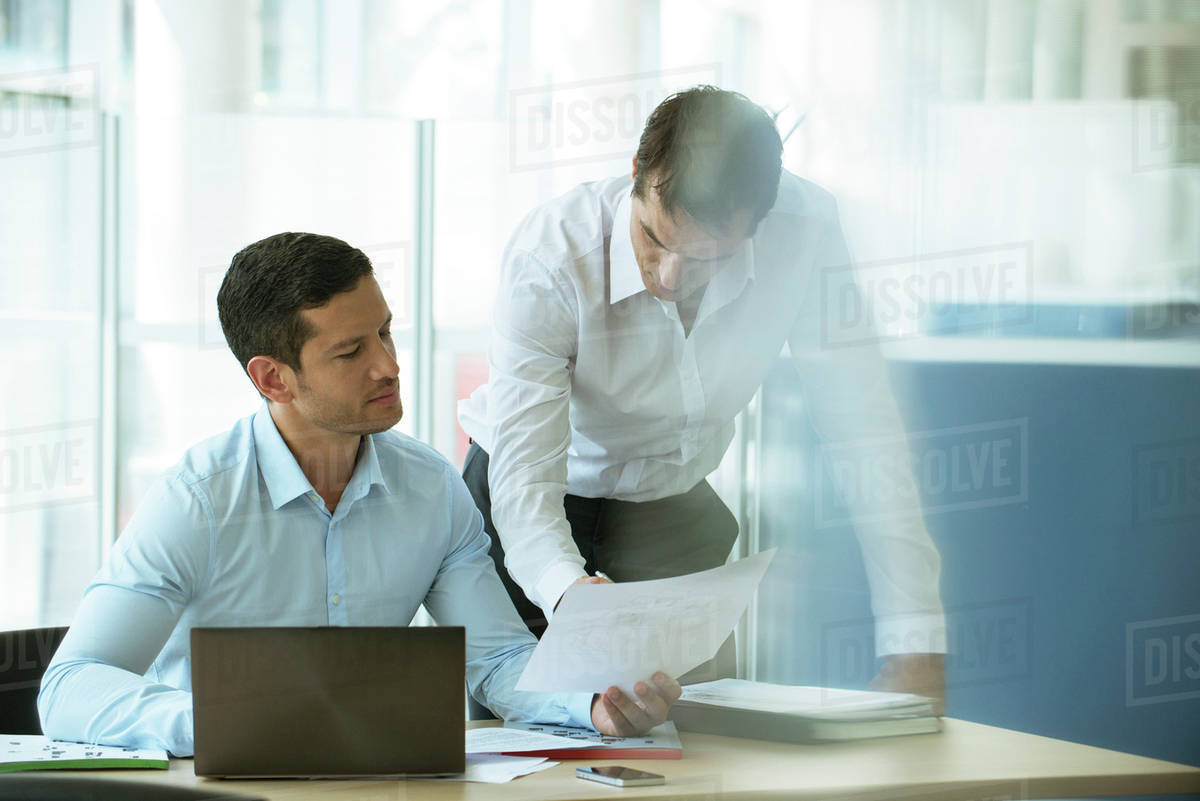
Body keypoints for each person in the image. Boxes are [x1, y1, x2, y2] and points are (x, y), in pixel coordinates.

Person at [38, 232, 680, 756]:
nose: (388, 365)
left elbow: (498, 660)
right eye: (350, 352)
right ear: (273, 379)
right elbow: (68, 688)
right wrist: (235, 721)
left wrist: (589, 708)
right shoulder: (197, 500)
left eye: (386, 332)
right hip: (218, 785)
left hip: (375, 779)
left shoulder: (430, 487)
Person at [459, 86, 947, 704]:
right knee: (532, 736)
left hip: (671, 501)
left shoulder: (805, 232)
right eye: (655, 240)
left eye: (707, 259)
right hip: (528, 500)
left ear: (758, 224)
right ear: (638, 173)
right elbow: (526, 483)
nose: (669, 278)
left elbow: (866, 429)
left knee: (698, 741)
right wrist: (571, 593)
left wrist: (916, 636)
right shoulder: (551, 253)